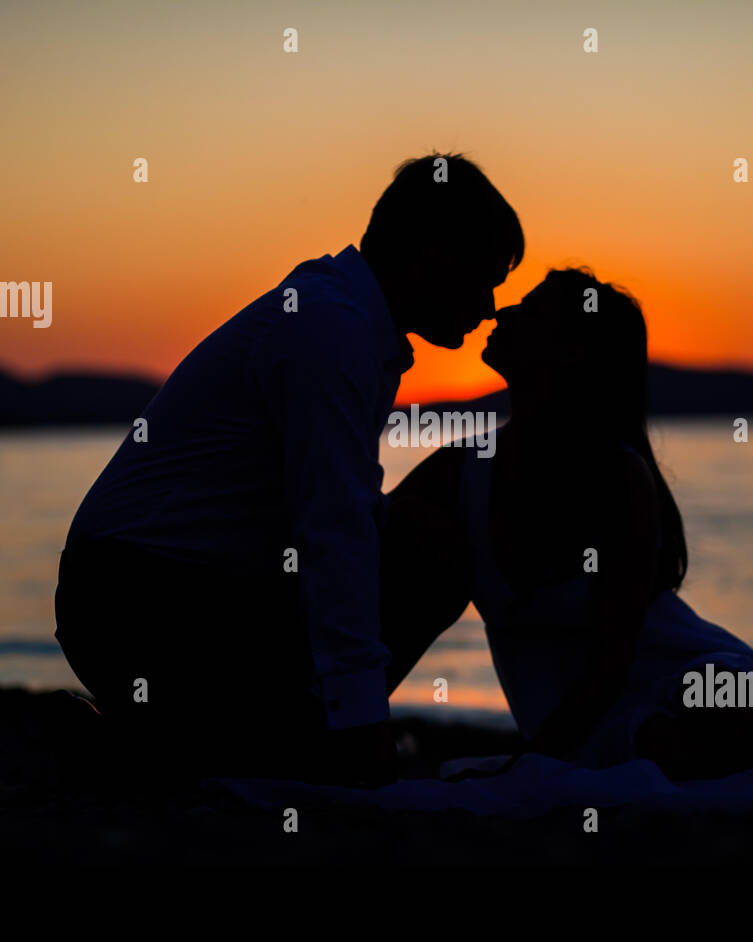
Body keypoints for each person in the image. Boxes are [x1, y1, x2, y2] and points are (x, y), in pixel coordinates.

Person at [54, 153, 523, 786]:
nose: (491, 304)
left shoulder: (347, 319)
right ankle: (308, 738)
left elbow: (339, 516)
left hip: (176, 588)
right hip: (139, 599)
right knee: (431, 544)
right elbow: (334, 533)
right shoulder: (333, 331)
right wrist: (361, 726)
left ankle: (244, 732)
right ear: (429, 254)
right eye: (482, 277)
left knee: (449, 488)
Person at [380, 268, 753, 779]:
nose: (503, 311)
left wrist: (528, 766)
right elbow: (362, 544)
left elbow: (610, 669)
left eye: (533, 309)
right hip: (587, 738)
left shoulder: (616, 479)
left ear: (572, 354)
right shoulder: (461, 472)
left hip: (689, 692)